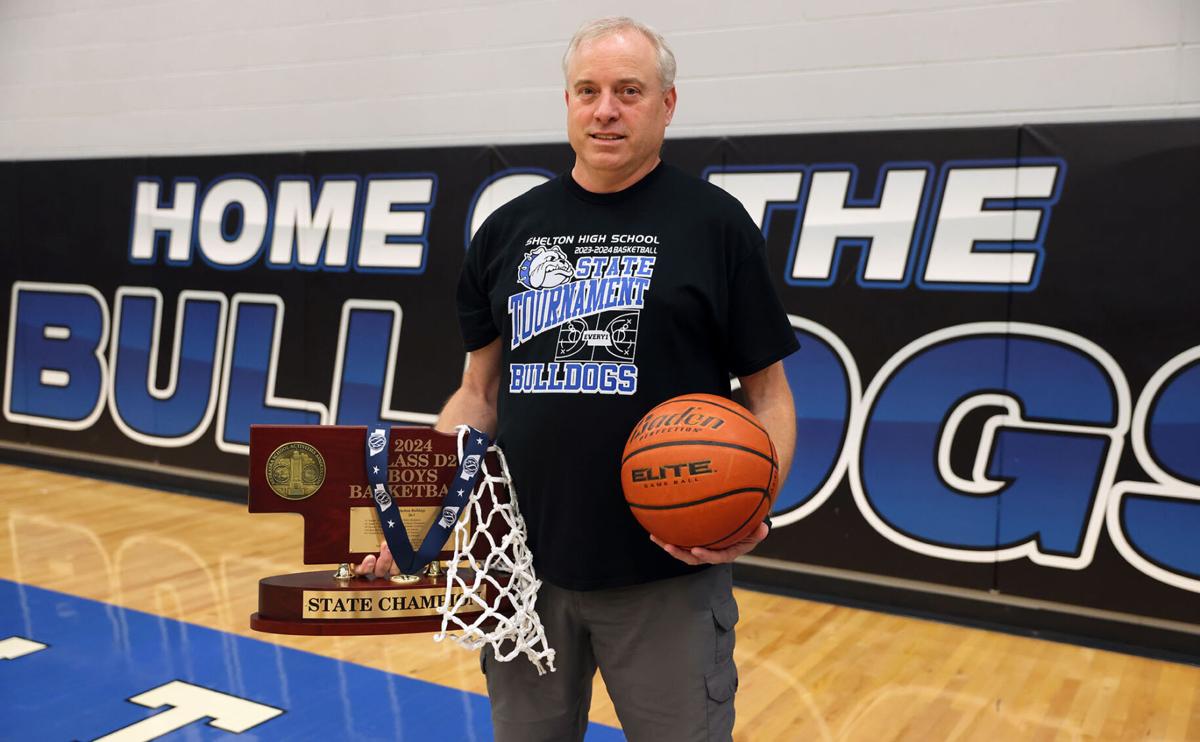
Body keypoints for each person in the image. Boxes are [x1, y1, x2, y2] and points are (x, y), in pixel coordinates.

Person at [358, 16, 798, 742]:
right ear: (567, 101)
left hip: (665, 573)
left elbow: (769, 395)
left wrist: (752, 509)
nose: (606, 110)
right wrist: (421, 510)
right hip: (518, 567)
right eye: (588, 91)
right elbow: (478, 393)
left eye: (629, 91)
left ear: (667, 104)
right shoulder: (508, 230)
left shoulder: (716, 226)